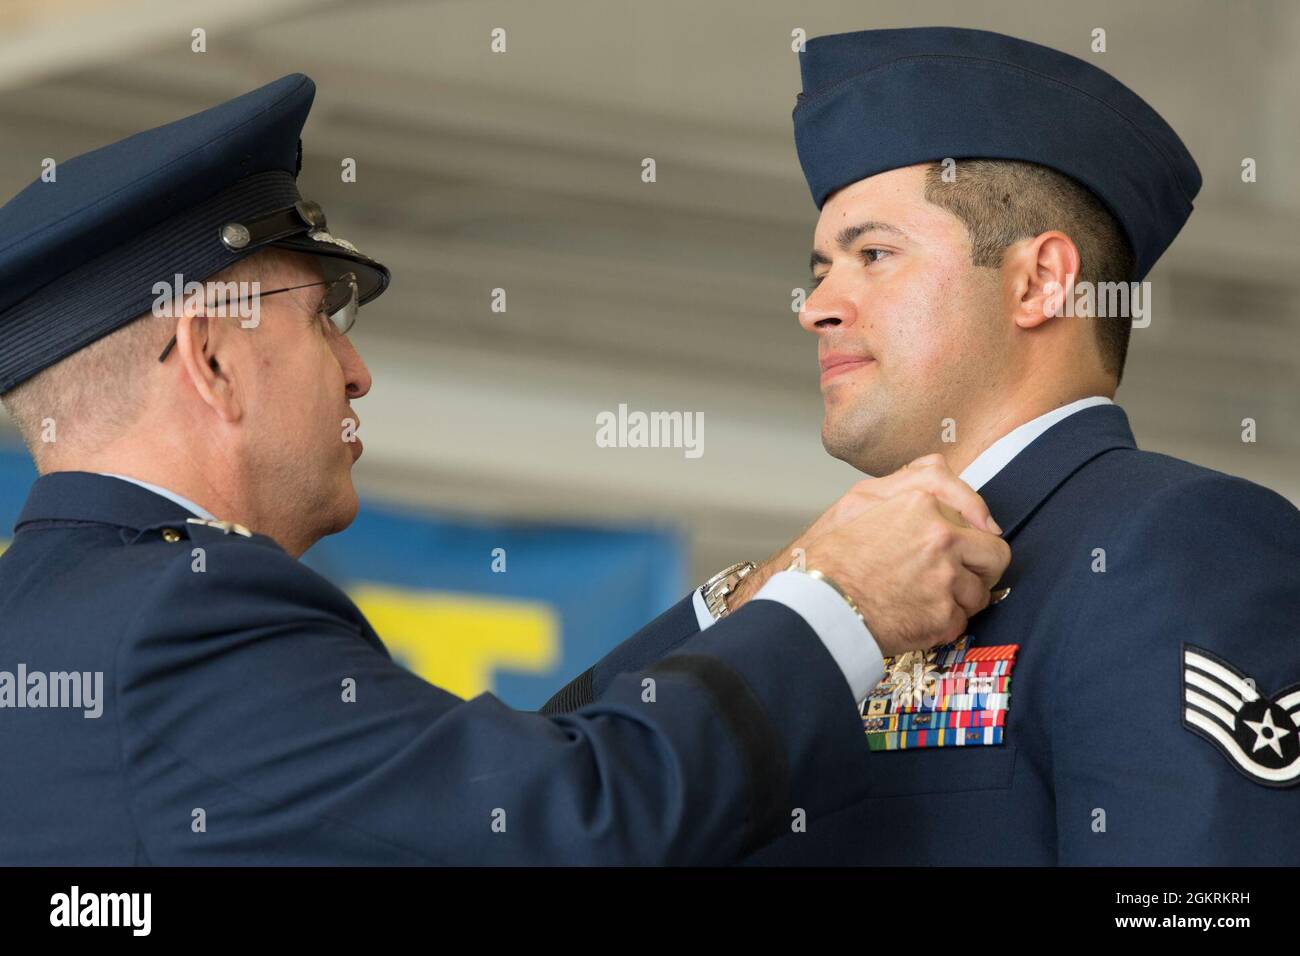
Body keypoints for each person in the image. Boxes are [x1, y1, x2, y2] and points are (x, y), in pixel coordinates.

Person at [0, 73, 1011, 864]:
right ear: (213, 358)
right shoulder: (186, 617)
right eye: (324, 320)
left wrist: (759, 592)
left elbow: (475, 786)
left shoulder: (55, 615)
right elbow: (559, 824)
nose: (356, 373)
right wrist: (841, 599)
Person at [544, 27, 1300, 864]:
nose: (816, 307)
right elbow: (549, 796)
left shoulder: (1178, 543)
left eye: (873, 254)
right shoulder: (836, 576)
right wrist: (778, 589)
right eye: (820, 267)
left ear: (1039, 281)